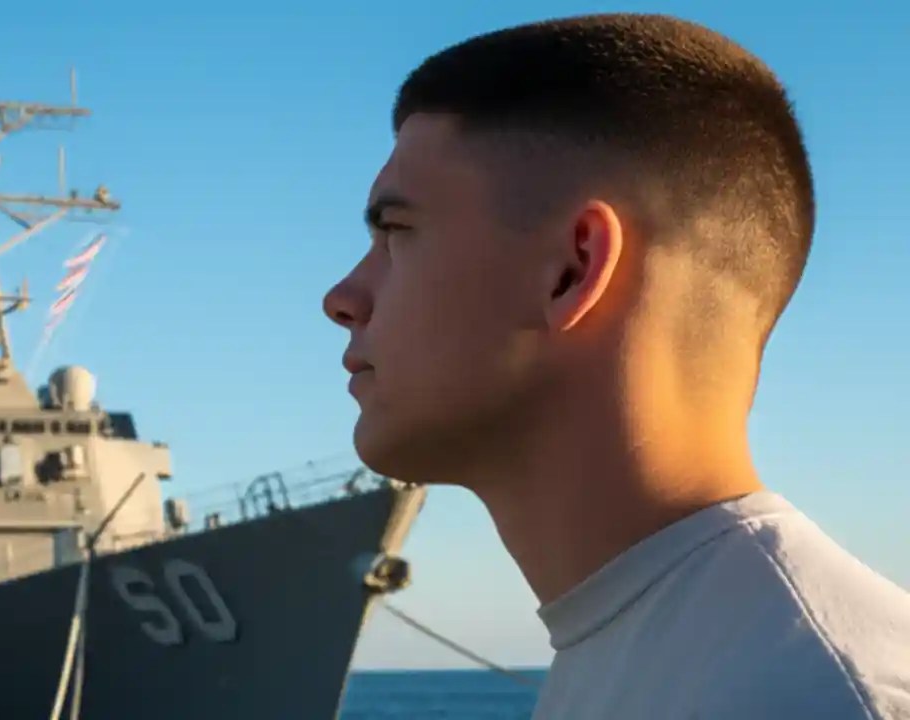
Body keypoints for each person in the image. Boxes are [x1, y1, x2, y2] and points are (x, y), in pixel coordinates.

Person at [322, 12, 910, 719]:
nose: (343, 298)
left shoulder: (813, 696)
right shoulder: (679, 655)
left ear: (572, 269)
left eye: (396, 232)